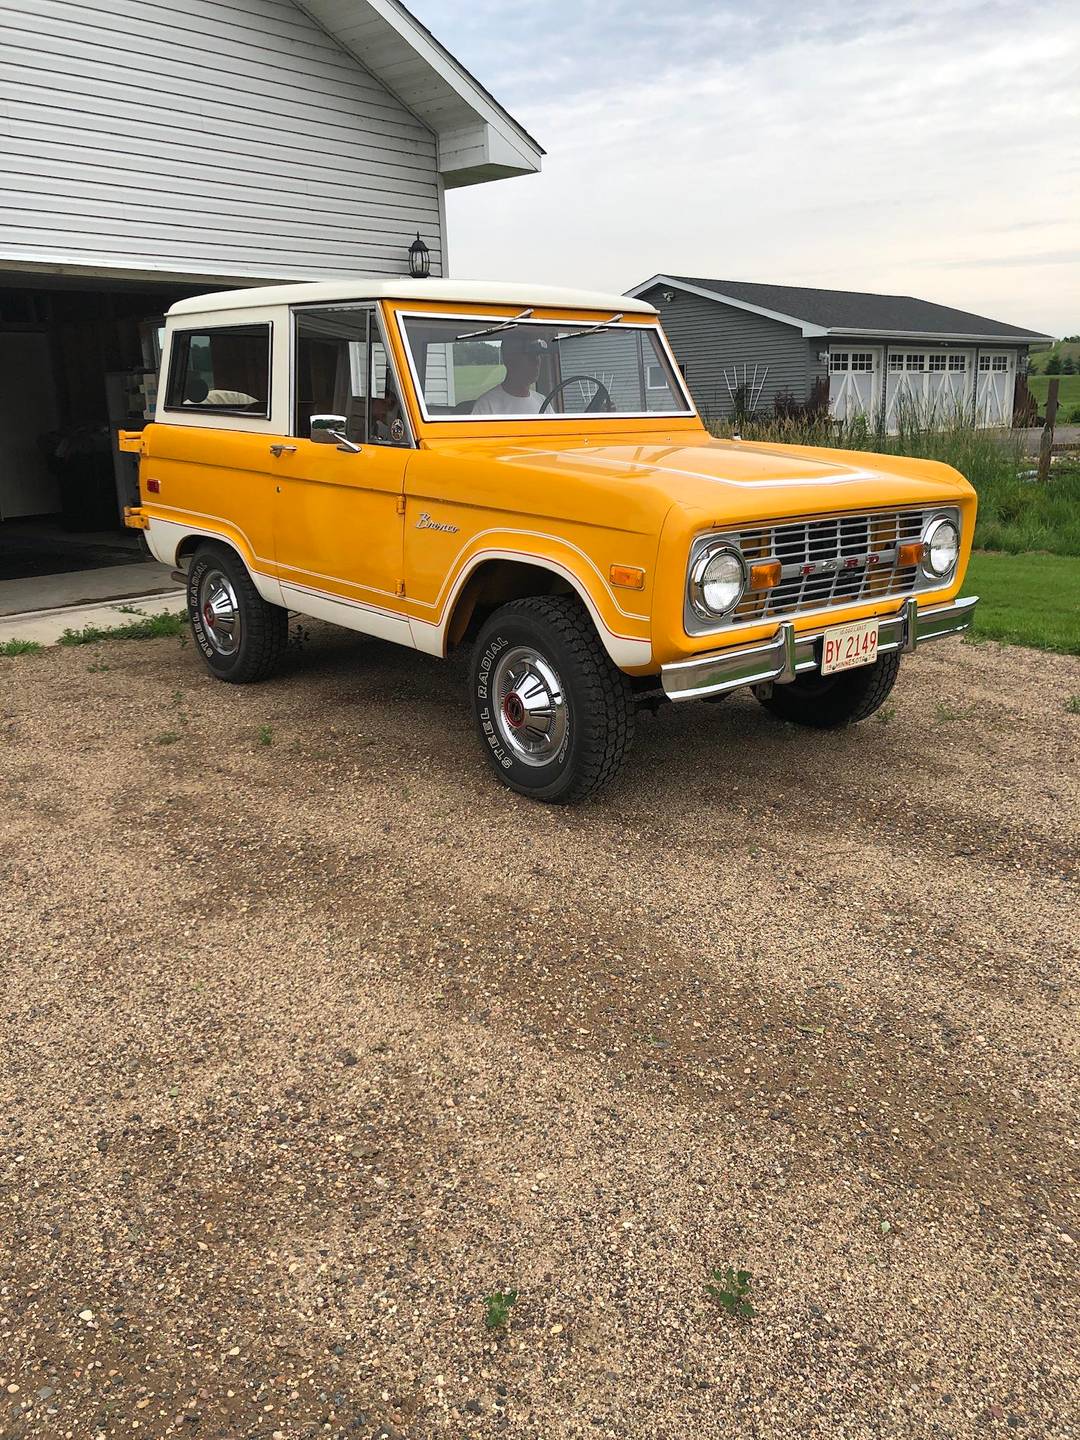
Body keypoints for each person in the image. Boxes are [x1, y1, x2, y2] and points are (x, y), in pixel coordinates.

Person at [471, 330, 547, 415]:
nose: (536, 361)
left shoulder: (543, 402)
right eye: (530, 355)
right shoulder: (486, 406)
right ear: (509, 360)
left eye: (538, 355)